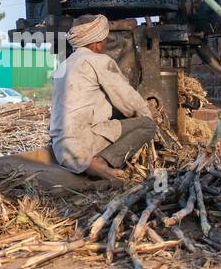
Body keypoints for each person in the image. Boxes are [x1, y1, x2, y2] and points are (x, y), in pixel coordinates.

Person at [50, 14, 156, 180]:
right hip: (83, 144)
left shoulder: (64, 65)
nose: (106, 43)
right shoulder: (99, 61)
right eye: (105, 39)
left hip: (61, 149)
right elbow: (128, 100)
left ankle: (88, 163)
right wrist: (147, 112)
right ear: (98, 44)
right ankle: (100, 162)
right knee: (147, 125)